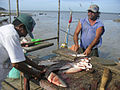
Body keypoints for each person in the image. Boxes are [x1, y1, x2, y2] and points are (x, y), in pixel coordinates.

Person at [0, 13, 46, 89]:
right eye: (26, 32)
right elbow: (16, 64)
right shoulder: (11, 34)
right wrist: (35, 73)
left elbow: (21, 56)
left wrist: (38, 67)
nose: (25, 35)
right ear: (21, 27)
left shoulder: (7, 29)